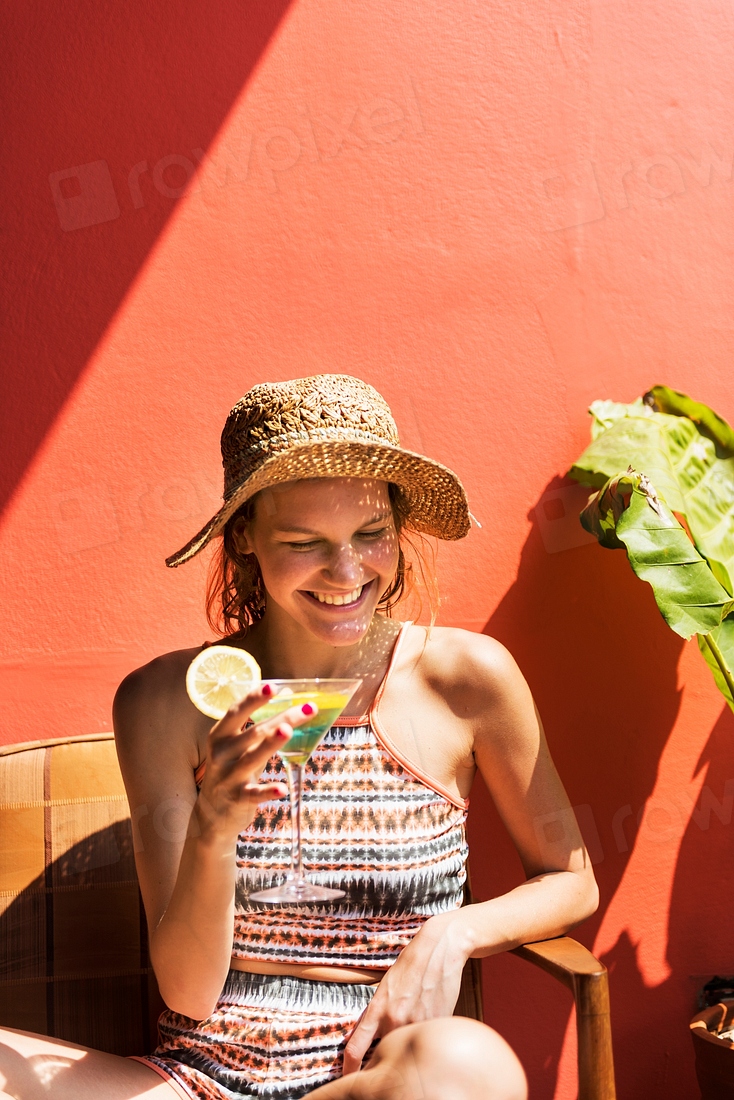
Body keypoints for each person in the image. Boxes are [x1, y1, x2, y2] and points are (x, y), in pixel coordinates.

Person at [0, 374, 597, 1100]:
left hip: (369, 1077)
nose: (346, 572)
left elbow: (572, 879)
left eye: (370, 534)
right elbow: (188, 993)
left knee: (468, 1064)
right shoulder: (166, 700)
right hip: (195, 1081)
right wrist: (215, 830)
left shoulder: (467, 678)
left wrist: (454, 932)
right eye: (304, 542)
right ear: (244, 537)